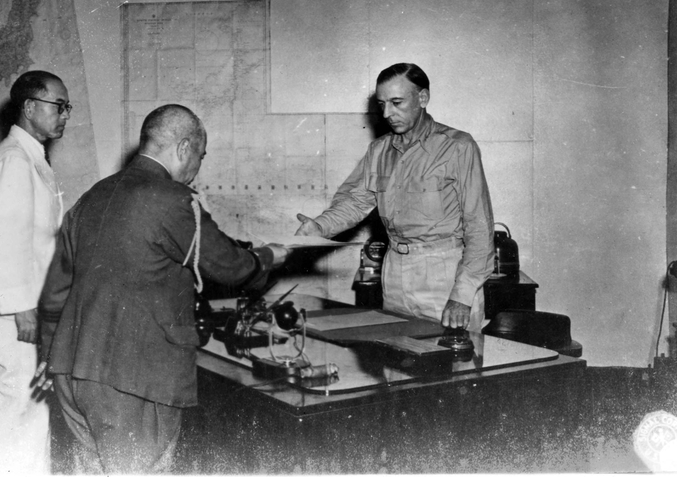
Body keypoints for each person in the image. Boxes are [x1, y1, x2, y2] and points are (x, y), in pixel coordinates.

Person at [37, 104, 289, 474]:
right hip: (132, 380)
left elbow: (55, 295)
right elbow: (230, 267)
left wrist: (49, 353)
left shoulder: (90, 197)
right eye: (200, 157)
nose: (196, 169)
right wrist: (269, 256)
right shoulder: (172, 199)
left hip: (72, 373)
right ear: (184, 148)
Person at [296, 63, 494, 330]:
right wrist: (320, 226)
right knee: (398, 363)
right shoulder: (379, 151)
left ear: (422, 98)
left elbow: (479, 227)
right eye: (382, 104)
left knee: (455, 366)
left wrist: (462, 295)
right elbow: (356, 202)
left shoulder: (457, 147)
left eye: (397, 102)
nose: (387, 113)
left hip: (444, 276)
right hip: (394, 274)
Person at [0, 70, 72, 474]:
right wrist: (22, 308)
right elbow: (1, 237)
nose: (65, 115)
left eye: (68, 107)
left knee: (30, 411)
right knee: (19, 409)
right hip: (16, 313)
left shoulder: (31, 158)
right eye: (58, 105)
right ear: (30, 107)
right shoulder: (14, 160)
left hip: (28, 308)